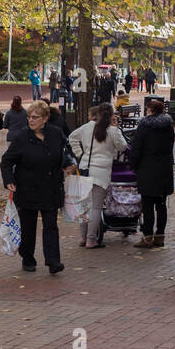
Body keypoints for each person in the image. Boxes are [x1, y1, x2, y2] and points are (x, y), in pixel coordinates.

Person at [1, 100, 74, 273]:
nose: (31, 120)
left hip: (51, 187)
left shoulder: (56, 134)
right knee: (28, 226)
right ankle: (28, 258)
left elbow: (67, 152)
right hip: (27, 188)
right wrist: (8, 179)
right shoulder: (22, 137)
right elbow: (6, 161)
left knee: (50, 225)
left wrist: (68, 164)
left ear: (45, 118)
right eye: (29, 117)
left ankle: (53, 261)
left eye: (35, 117)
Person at [68, 102, 127, 250]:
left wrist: (80, 154)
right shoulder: (112, 131)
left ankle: (83, 237)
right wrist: (116, 128)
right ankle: (91, 239)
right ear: (112, 115)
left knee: (84, 206)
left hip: (85, 168)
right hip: (101, 172)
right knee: (96, 207)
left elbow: (72, 137)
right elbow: (123, 147)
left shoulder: (87, 127)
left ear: (98, 114)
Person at [128, 98, 174, 249]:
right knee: (161, 204)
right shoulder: (168, 126)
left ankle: (147, 236)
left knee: (147, 204)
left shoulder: (144, 126)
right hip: (164, 169)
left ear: (149, 110)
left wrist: (133, 165)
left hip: (147, 168)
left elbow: (137, 147)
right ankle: (160, 235)